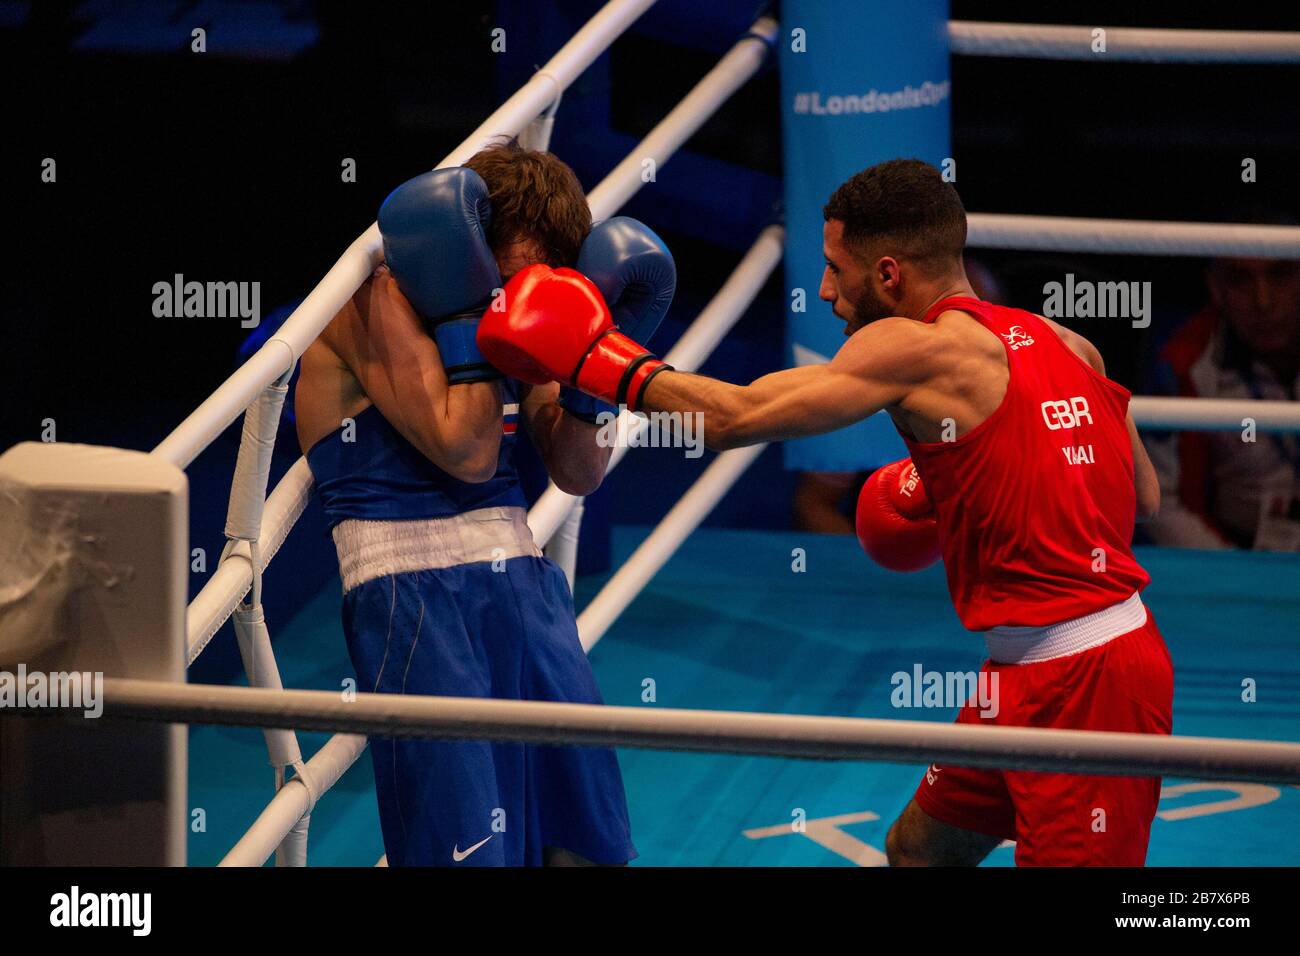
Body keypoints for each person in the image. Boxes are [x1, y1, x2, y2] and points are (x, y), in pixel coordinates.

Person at [479, 158, 1173, 867]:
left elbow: (732, 418)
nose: (824, 291)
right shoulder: (1066, 342)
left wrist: (595, 358)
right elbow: (1140, 494)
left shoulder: (914, 345)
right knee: (918, 850)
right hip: (1033, 671)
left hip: (1087, 684)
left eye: (836, 270)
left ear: (890, 275)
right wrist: (971, 477)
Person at [294, 139, 675, 866]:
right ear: (464, 243)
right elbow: (466, 451)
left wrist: (594, 371)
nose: (515, 301)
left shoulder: (519, 303)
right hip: (410, 597)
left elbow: (578, 471)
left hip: (522, 586)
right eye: (503, 279)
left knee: (585, 841)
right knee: (469, 852)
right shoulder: (372, 300)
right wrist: (471, 316)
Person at [1145, 222, 1300, 550]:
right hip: (1237, 551)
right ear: (1216, 287)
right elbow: (1164, 505)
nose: (1264, 301)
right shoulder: (1181, 363)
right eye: (1240, 279)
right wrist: (1238, 574)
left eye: (1280, 274)